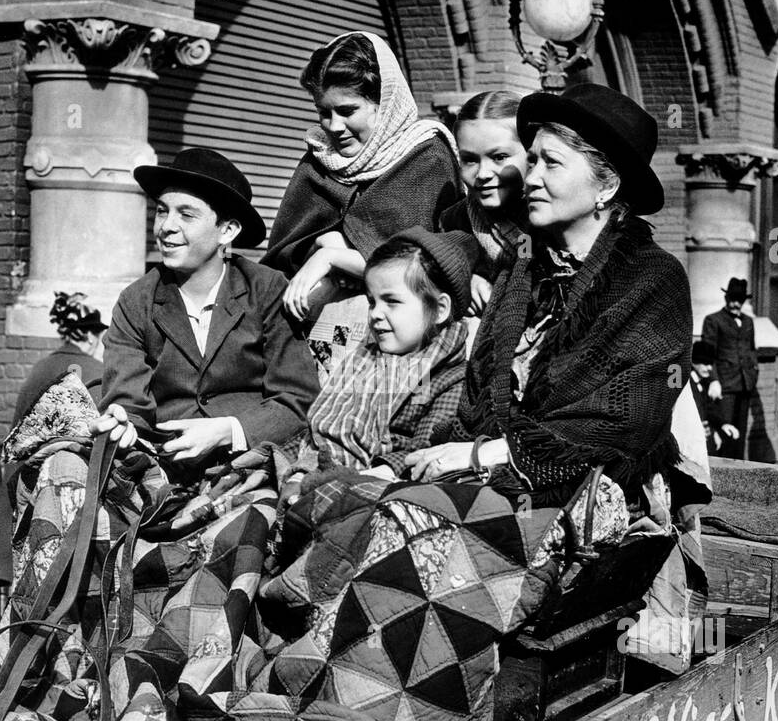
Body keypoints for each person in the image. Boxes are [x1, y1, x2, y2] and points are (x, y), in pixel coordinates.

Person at [407, 83, 696, 672]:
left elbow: (622, 423)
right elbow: (478, 394)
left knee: (426, 558)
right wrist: (462, 456)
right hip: (509, 491)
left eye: (550, 163)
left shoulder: (653, 280)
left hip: (600, 501)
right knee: (373, 511)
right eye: (531, 159)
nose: (529, 177)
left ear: (606, 187)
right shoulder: (522, 266)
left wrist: (486, 455)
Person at [93, 148, 319, 464]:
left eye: (186, 215)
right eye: (161, 211)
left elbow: (297, 400)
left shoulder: (266, 290)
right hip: (165, 470)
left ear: (227, 231)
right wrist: (125, 421)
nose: (166, 227)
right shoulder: (136, 300)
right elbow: (127, 399)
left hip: (250, 467)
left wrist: (229, 430)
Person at [260, 31, 460, 376]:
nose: (334, 126)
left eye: (348, 110)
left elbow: (426, 266)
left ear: (384, 103)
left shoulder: (427, 157)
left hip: (402, 341)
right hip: (306, 329)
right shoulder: (318, 161)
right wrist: (322, 243)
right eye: (324, 112)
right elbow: (285, 252)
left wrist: (333, 256)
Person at [304, 228, 477, 476]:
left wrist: (377, 472)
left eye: (392, 301)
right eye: (372, 301)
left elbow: (425, 449)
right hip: (315, 466)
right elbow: (319, 424)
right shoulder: (363, 358)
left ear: (439, 309)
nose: (375, 313)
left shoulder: (452, 379)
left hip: (380, 480)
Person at [0, 291, 109, 596]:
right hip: (64, 492)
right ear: (90, 336)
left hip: (22, 485)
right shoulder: (95, 372)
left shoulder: (39, 369)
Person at [437, 90, 529, 315]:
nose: (483, 173)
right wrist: (466, 279)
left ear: (531, 152)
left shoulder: (549, 217)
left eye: (499, 157)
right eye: (469, 160)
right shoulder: (455, 221)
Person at [701, 278, 759, 460]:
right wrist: (714, 380)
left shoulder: (748, 322)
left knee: (738, 434)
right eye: (733, 299)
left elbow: (751, 349)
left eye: (740, 300)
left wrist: (753, 373)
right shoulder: (713, 320)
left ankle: (738, 473)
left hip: (744, 386)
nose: (736, 304)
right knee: (724, 431)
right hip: (724, 386)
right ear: (726, 298)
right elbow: (708, 354)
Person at [690, 339, 735, 455]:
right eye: (705, 363)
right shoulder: (685, 384)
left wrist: (722, 424)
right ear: (694, 362)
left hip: (704, 437)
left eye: (711, 364)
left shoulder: (704, 383)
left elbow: (709, 409)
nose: (710, 368)